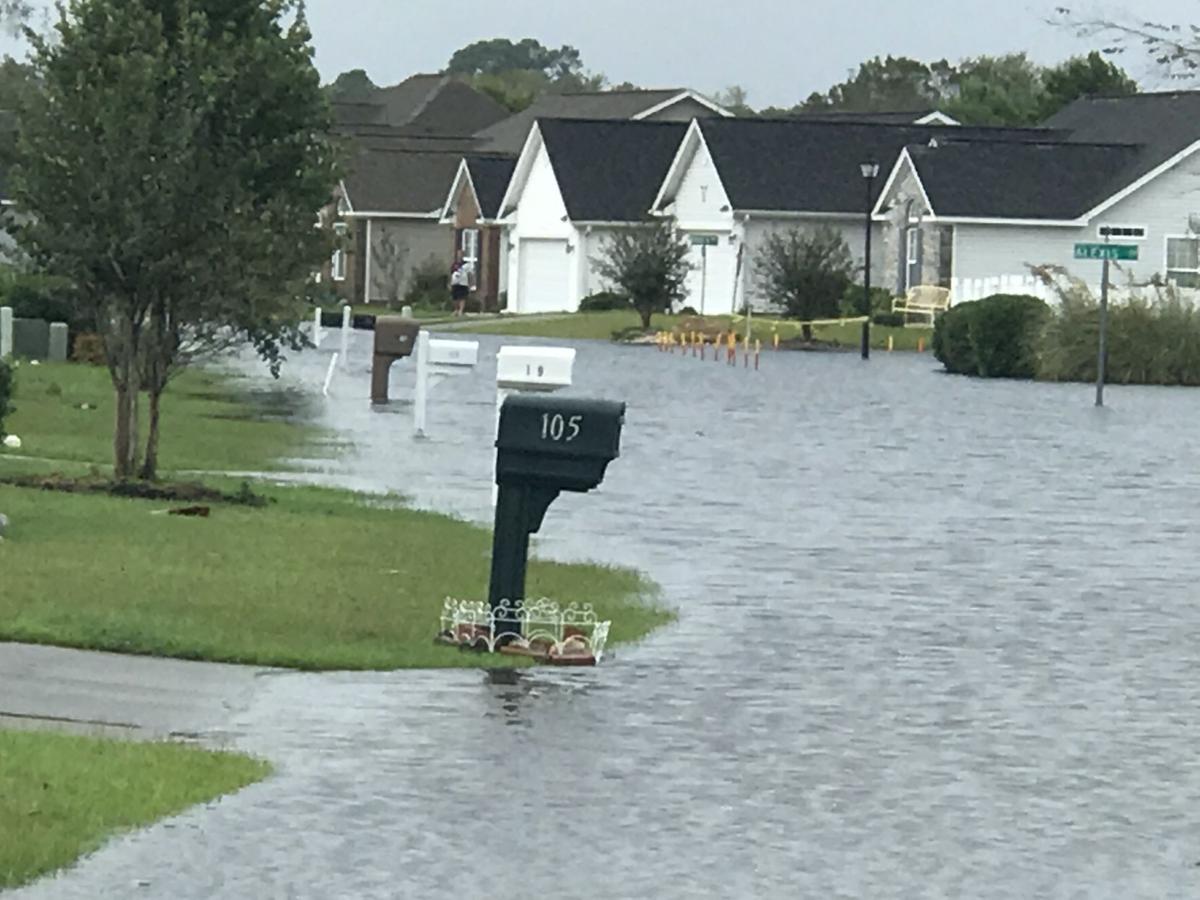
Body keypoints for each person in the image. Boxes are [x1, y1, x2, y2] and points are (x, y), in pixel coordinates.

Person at [450, 251, 471, 317]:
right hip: (455, 283)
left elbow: (470, 273)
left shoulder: (466, 264)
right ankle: (456, 310)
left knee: (462, 297)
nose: (459, 256)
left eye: (461, 255)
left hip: (463, 283)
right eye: (458, 255)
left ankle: (461, 311)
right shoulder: (454, 264)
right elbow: (451, 273)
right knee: (455, 297)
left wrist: (471, 283)